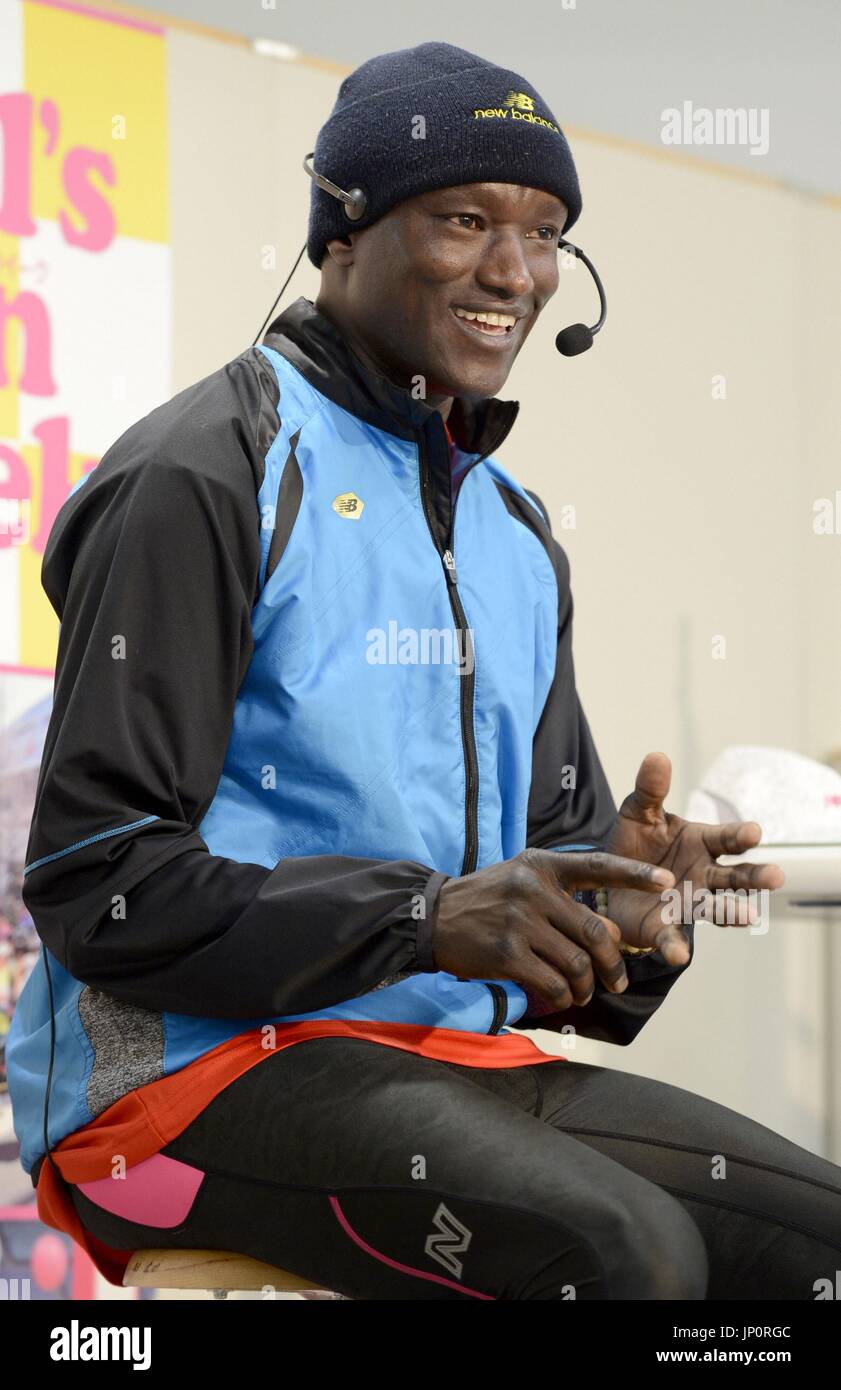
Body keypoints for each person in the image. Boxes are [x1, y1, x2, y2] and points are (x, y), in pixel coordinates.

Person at [7, 41, 841, 1301]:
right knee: (626, 1257)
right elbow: (96, 882)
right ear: (340, 235)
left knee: (815, 1250)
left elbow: (555, 930)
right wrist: (422, 916)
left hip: (456, 1066)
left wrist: (631, 913)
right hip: (172, 1097)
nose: (515, 272)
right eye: (465, 220)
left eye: (547, 232)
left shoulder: (514, 534)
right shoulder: (199, 475)